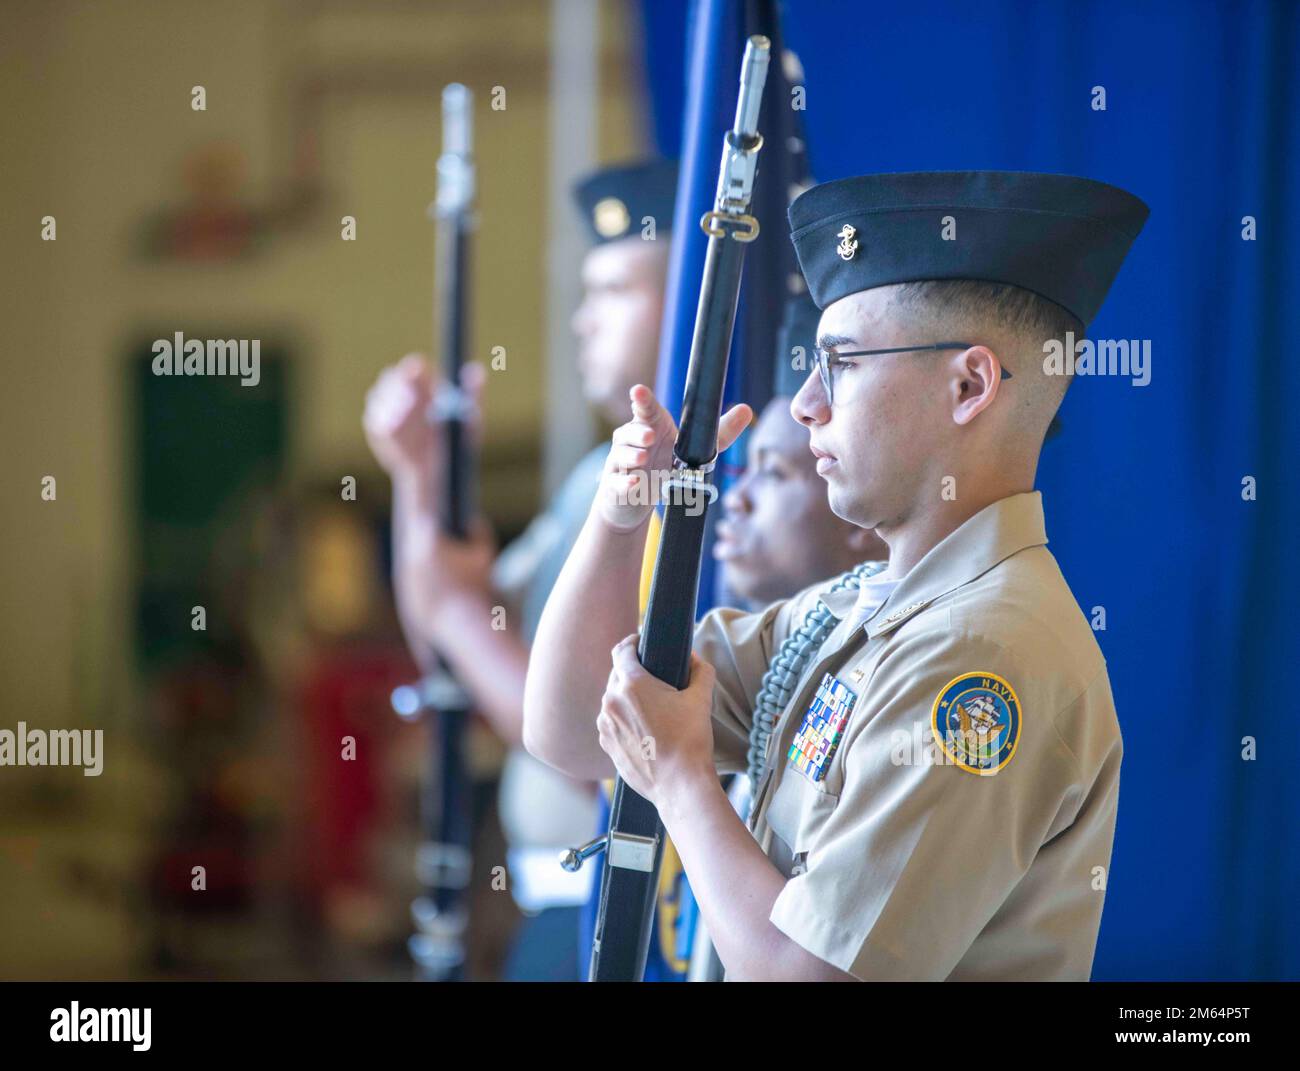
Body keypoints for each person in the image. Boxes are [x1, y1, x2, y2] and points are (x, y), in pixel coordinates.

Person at [523, 169, 1148, 981]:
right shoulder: (847, 611)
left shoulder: (984, 651)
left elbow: (811, 976)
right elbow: (576, 726)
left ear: (969, 385)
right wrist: (619, 519)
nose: (808, 403)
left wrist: (679, 777)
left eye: (842, 363)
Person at [362, 158, 677, 981]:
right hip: (557, 907)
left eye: (613, 291)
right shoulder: (590, 482)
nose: (581, 320)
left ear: (686, 302)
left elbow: (590, 746)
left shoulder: (699, 488)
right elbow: (446, 646)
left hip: (634, 913)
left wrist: (461, 615)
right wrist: (420, 477)